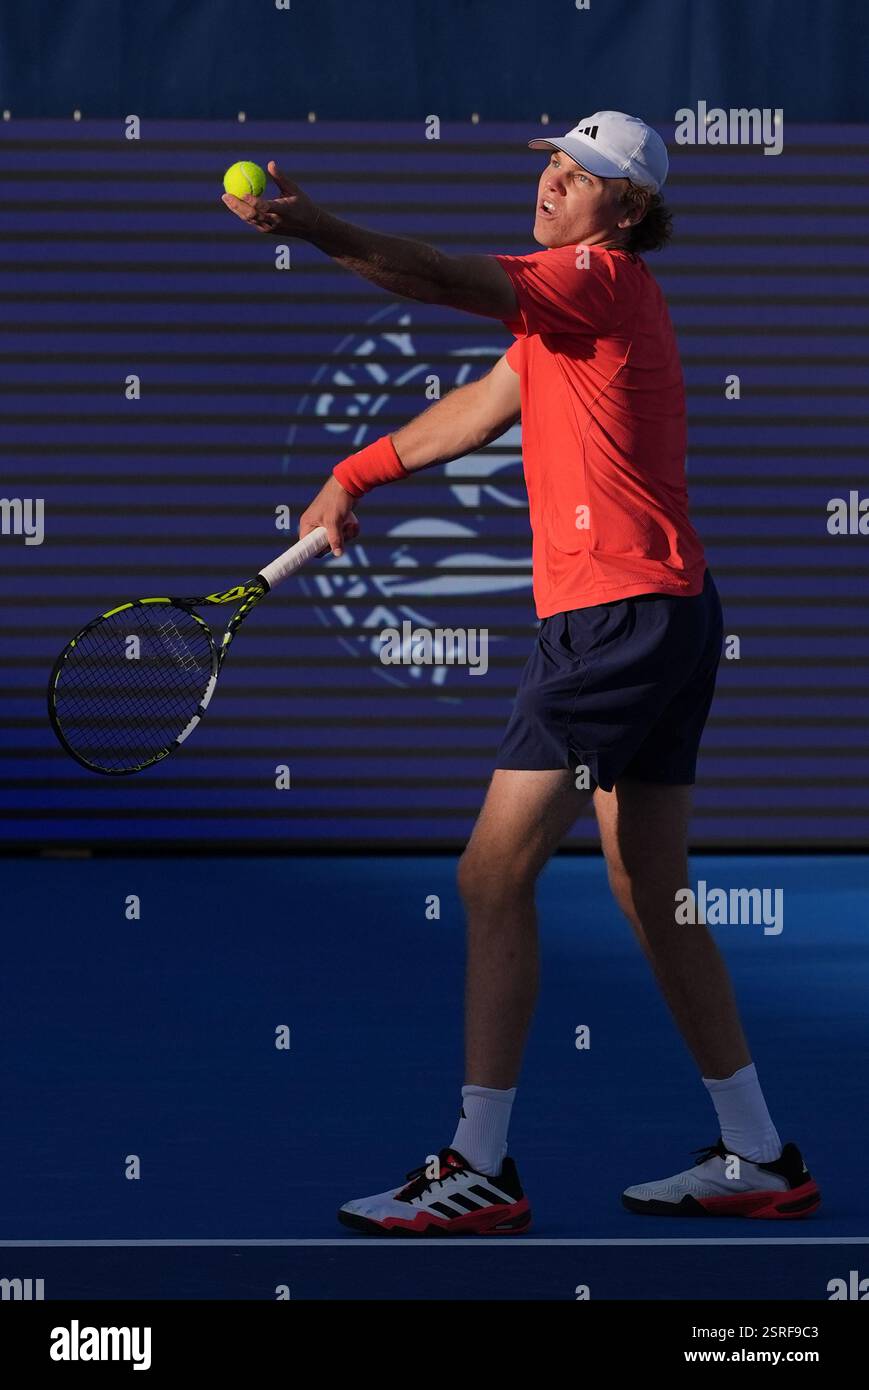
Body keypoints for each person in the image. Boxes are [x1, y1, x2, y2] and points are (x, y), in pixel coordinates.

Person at [224, 111, 820, 1233]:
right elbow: (484, 404)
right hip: (668, 613)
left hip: (611, 620)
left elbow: (433, 274)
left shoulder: (591, 277)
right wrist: (354, 473)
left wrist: (308, 226)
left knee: (491, 874)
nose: (554, 179)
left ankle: (478, 1162)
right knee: (647, 883)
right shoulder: (572, 310)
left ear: (626, 211)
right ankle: (756, 1150)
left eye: (581, 173)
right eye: (552, 161)